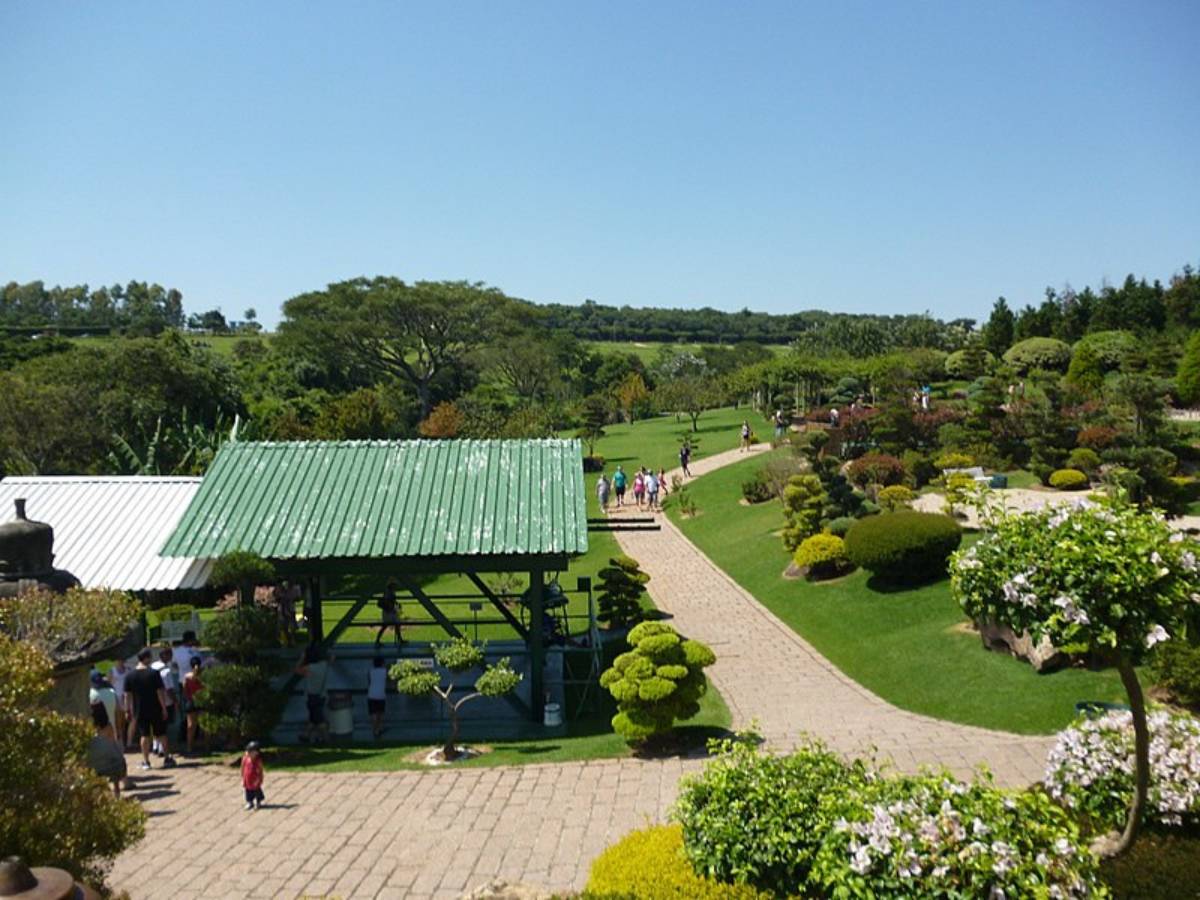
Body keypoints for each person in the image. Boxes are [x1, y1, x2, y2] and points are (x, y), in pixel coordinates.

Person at [125, 648, 172, 770]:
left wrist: (127, 710)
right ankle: (167, 758)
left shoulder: (130, 675)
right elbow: (160, 692)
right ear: (146, 658)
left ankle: (146, 761)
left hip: (139, 709)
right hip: (155, 708)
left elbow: (127, 695)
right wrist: (164, 708)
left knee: (144, 735)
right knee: (161, 734)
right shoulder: (153, 673)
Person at [295, 644, 331, 743]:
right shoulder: (324, 665)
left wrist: (302, 658)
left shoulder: (309, 668)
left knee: (319, 719)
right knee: (313, 717)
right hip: (322, 695)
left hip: (312, 696)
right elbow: (332, 658)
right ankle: (306, 735)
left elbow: (297, 669)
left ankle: (326, 739)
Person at [87, 714, 127, 798]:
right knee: (115, 762)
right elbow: (114, 744)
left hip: (98, 769)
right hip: (114, 766)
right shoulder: (108, 728)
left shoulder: (88, 737)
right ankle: (117, 792)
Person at [151, 647, 179, 754]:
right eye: (170, 655)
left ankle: (155, 745)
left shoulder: (153, 666)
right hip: (166, 701)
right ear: (165, 656)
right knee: (164, 726)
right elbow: (169, 689)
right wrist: (175, 701)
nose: (171, 657)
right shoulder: (166, 671)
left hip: (153, 700)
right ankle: (162, 748)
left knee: (155, 724)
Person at [182, 655, 205, 755]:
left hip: (191, 701)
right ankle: (206, 746)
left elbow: (184, 690)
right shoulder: (204, 676)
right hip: (203, 701)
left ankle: (189, 747)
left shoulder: (187, 676)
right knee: (205, 725)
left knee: (191, 726)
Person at [89, 670, 118, 744]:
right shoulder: (112, 692)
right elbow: (117, 713)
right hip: (112, 731)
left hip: (97, 733)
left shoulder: (90, 694)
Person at [109, 657, 131, 749]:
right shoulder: (112, 671)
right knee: (118, 721)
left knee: (126, 721)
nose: (120, 661)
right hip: (116, 697)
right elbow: (110, 684)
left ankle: (126, 741)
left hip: (126, 697)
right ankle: (120, 742)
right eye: (118, 659)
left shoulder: (128, 670)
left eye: (122, 659)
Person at [375, 580, 402, 648]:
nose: (396, 587)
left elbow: (391, 600)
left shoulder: (389, 591)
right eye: (395, 586)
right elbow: (388, 601)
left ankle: (400, 639)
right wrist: (393, 608)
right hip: (389, 612)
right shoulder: (388, 592)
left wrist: (396, 604)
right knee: (386, 626)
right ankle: (377, 641)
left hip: (389, 611)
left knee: (396, 625)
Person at [367, 655, 388, 739]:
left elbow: (369, 681)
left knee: (373, 714)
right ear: (382, 663)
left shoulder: (370, 671)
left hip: (371, 694)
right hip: (381, 695)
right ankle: (378, 729)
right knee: (380, 714)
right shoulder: (385, 671)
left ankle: (375, 730)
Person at [241, 741, 265, 810]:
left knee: (257, 791)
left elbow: (261, 770)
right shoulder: (245, 758)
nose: (249, 753)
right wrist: (242, 777)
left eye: (251, 752)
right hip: (247, 778)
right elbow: (242, 767)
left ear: (256, 753)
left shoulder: (258, 761)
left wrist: (261, 778)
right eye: (248, 751)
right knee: (248, 791)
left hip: (255, 779)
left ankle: (258, 802)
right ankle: (249, 802)